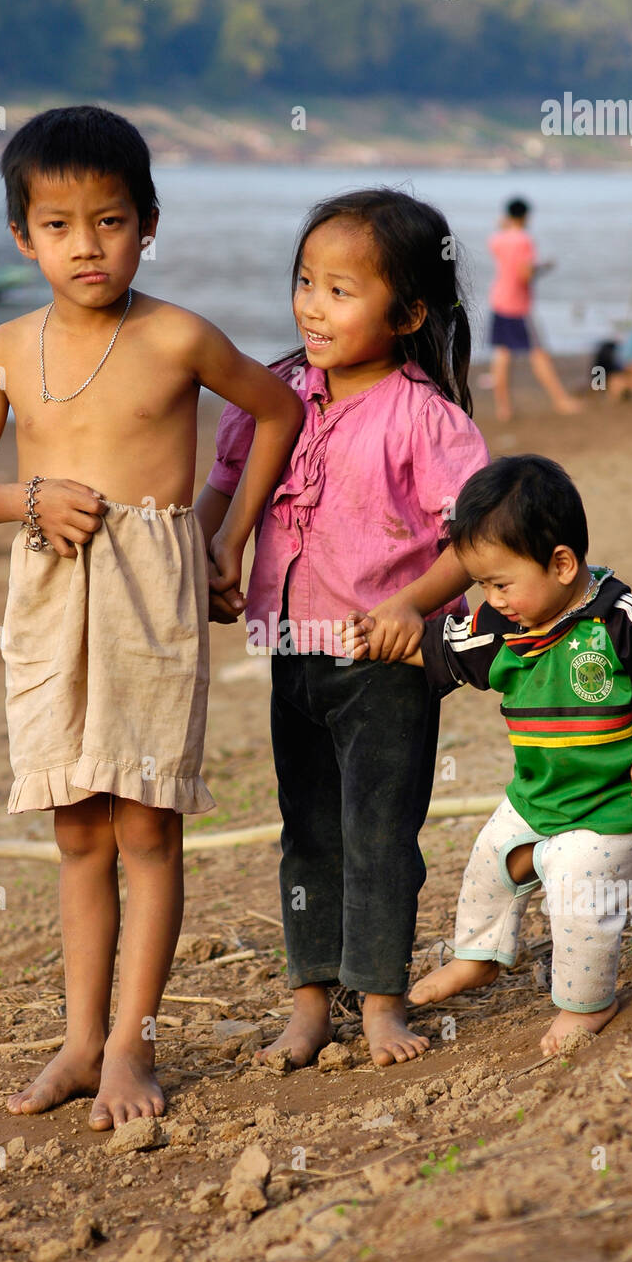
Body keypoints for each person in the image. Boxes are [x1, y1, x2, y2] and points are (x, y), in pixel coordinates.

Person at [0, 105, 302, 1128]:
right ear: (23, 236)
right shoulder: (8, 346)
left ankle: (134, 1049)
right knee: (77, 828)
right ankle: (81, 1041)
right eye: (58, 225)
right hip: (51, 590)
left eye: (109, 221)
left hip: (152, 590)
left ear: (148, 223)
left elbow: (278, 410)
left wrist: (230, 539)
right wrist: (28, 496)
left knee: (147, 823)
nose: (85, 245)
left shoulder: (177, 334)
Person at [196, 188, 490, 1068]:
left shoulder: (426, 418)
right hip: (293, 651)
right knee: (308, 829)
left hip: (387, 663)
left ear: (406, 313)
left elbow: (474, 539)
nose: (313, 307)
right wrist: (214, 547)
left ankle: (383, 1003)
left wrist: (411, 603)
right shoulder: (274, 393)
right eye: (305, 283)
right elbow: (226, 478)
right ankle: (310, 1001)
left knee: (378, 833)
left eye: (340, 290)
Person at [345, 456, 632, 1054]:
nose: (491, 598)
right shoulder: (503, 625)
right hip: (536, 797)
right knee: (489, 861)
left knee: (578, 893)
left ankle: (587, 1003)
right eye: (481, 584)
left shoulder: (620, 618)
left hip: (615, 804)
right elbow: (443, 652)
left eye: (501, 583)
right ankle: (477, 956)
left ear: (562, 564)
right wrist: (386, 644)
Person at [486, 198, 581, 421]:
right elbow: (525, 275)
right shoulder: (524, 240)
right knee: (538, 353)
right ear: (526, 216)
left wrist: (504, 226)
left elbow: (504, 253)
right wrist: (543, 268)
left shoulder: (497, 239)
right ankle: (560, 400)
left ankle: (504, 408)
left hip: (498, 299)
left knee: (502, 353)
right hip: (517, 304)